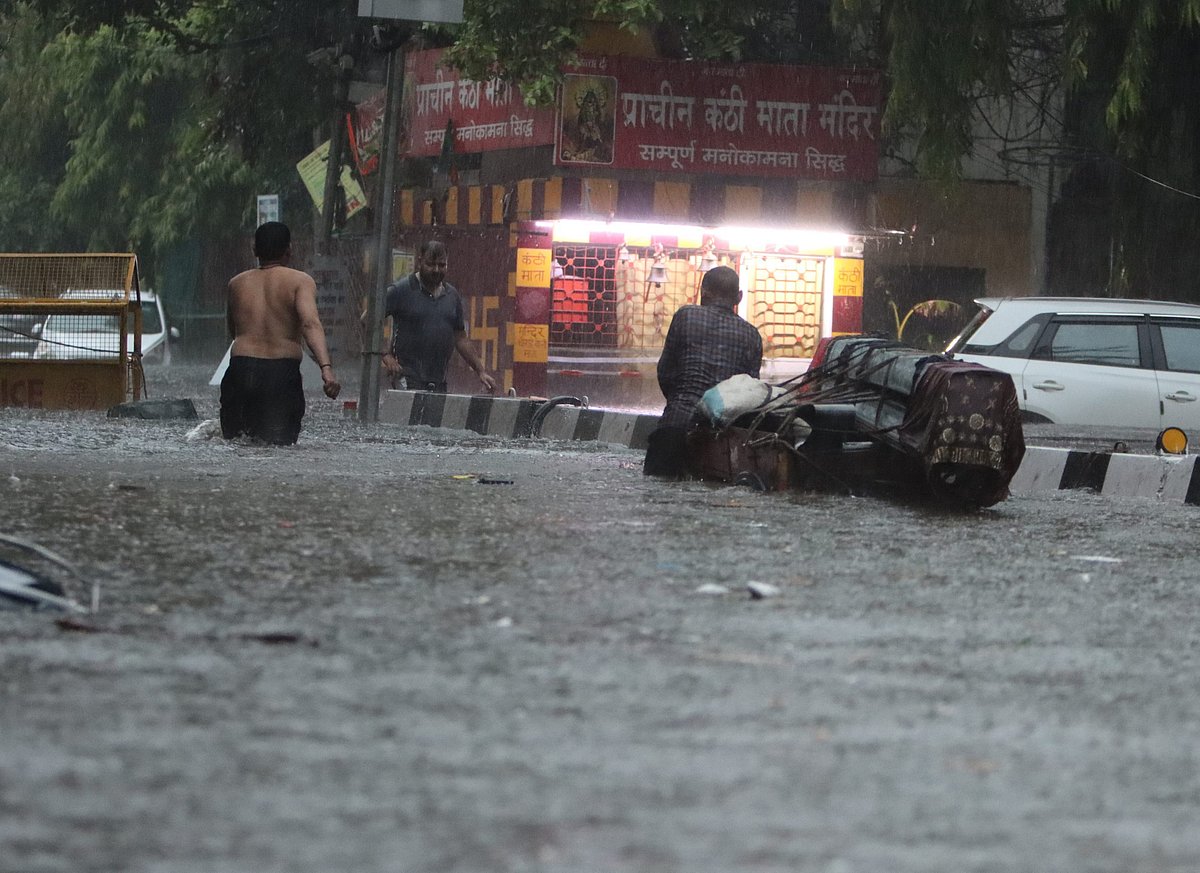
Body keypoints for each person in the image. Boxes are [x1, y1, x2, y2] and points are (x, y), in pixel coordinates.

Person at [220, 221, 341, 444]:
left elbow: (233, 330)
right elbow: (310, 324)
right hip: (280, 373)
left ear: (254, 250)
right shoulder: (300, 281)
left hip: (240, 370)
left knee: (236, 444)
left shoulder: (235, 284)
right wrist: (326, 369)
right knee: (279, 448)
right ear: (289, 250)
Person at [644, 265, 763, 477]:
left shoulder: (686, 316)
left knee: (658, 500)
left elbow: (665, 371)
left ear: (703, 292)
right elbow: (749, 393)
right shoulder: (752, 336)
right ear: (739, 297)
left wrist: (679, 402)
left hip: (676, 425)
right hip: (724, 442)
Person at [381, 240, 497, 393]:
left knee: (434, 416)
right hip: (406, 377)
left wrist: (480, 371)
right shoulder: (401, 290)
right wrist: (385, 355)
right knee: (413, 415)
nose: (436, 270)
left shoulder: (452, 296)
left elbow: (460, 338)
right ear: (420, 261)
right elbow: (367, 320)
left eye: (442, 265)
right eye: (431, 264)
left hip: (438, 381)